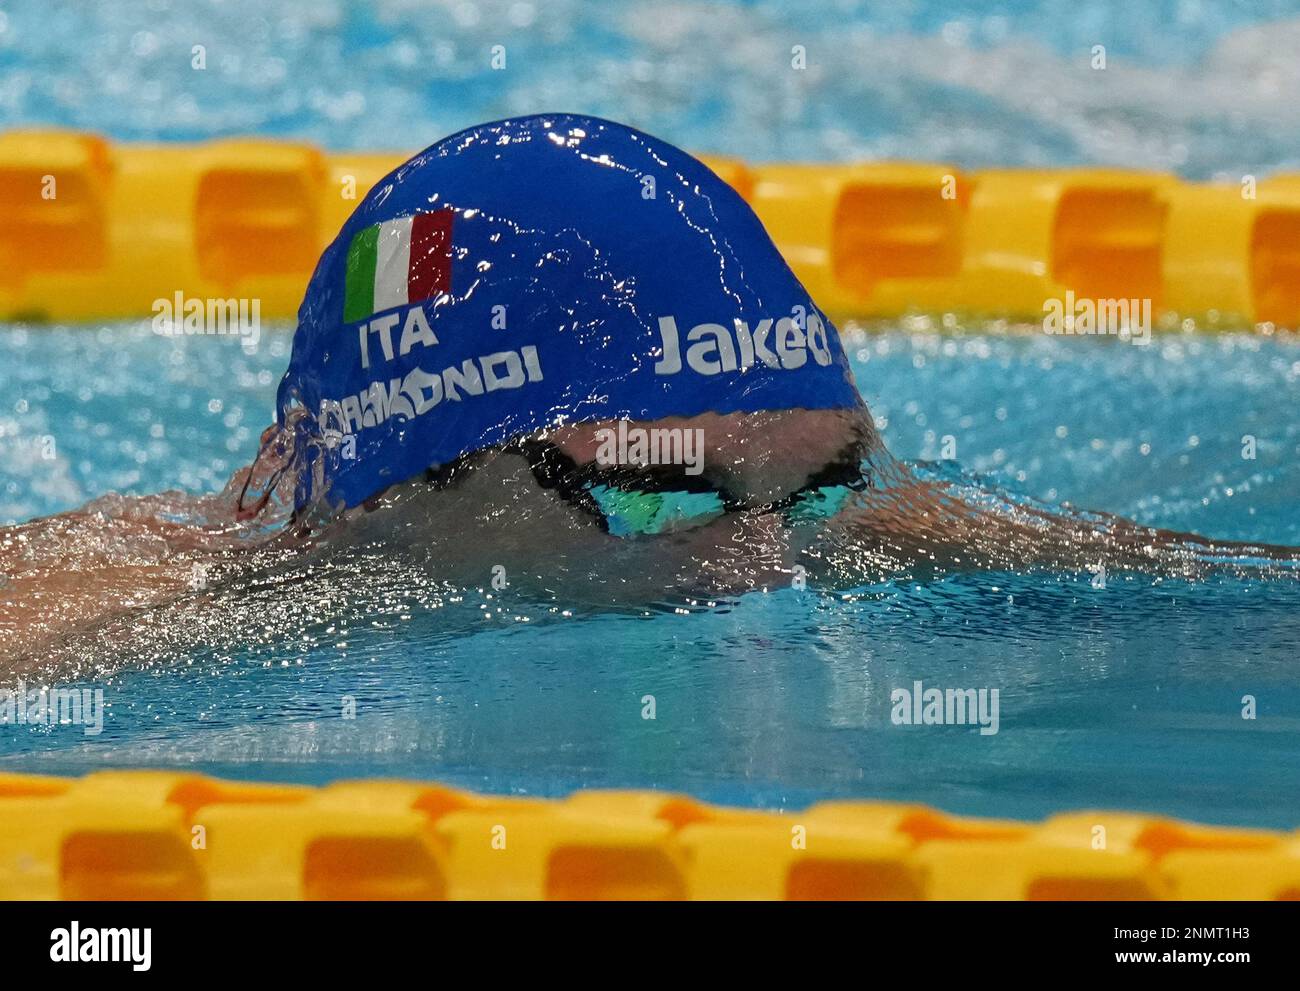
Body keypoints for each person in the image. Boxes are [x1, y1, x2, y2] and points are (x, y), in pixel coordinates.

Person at [1, 114, 1294, 668]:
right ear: (406, 484)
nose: (766, 579)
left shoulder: (830, 534)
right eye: (658, 500)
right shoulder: (157, 604)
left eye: (827, 480)